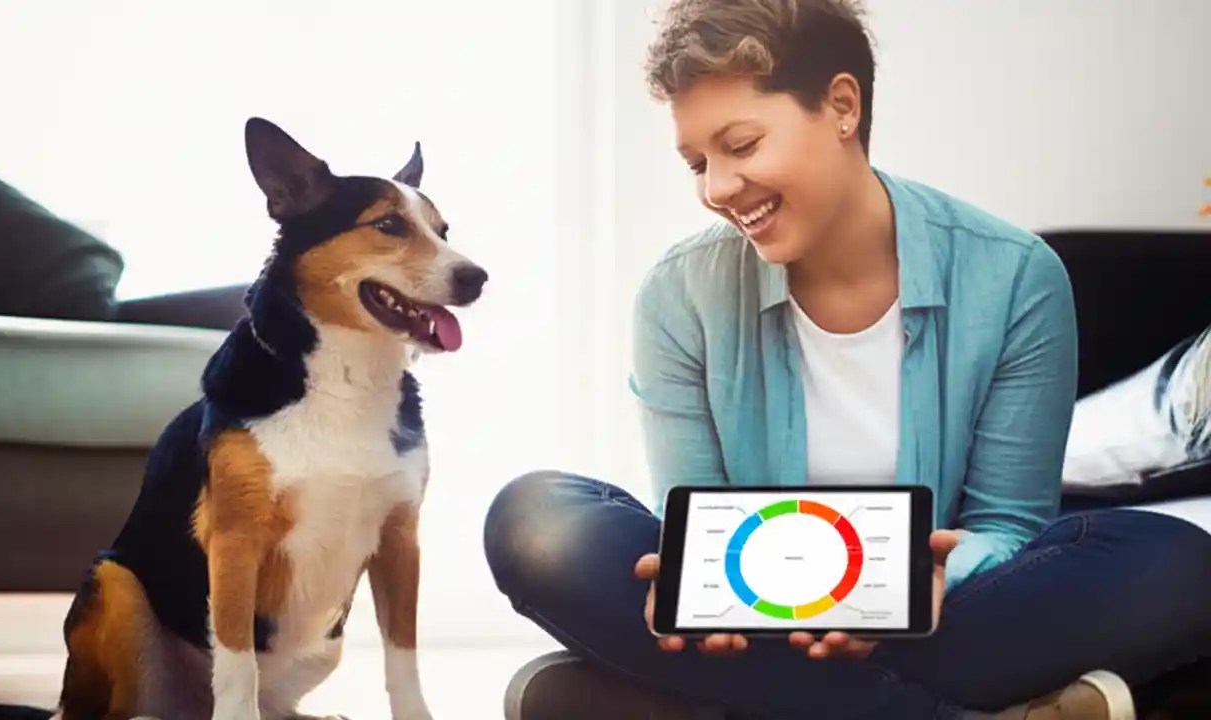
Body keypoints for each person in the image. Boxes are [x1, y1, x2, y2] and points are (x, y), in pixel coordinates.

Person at [482, 1, 1211, 719]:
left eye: (740, 146)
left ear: (841, 105)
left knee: (1179, 566)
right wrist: (689, 584)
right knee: (535, 521)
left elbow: (1004, 524)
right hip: (757, 604)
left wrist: (922, 578)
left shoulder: (1017, 276)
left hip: (943, 606)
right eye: (696, 162)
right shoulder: (678, 296)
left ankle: (664, 703)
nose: (716, 189)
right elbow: (698, 521)